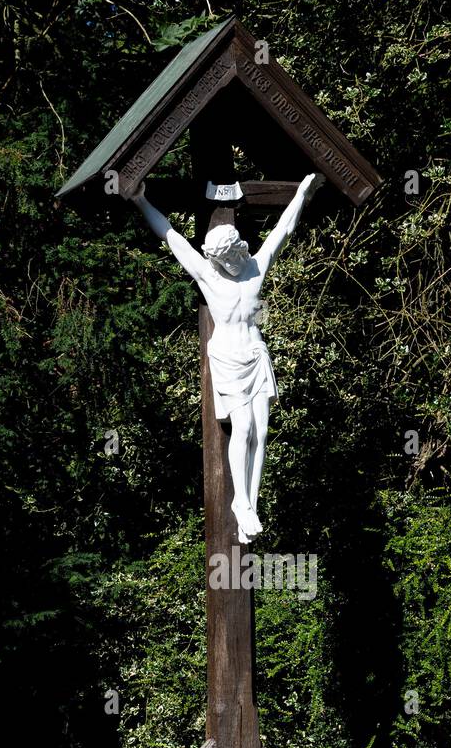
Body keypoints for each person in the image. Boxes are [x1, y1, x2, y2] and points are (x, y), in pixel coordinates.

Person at [129, 173, 325, 542]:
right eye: (225, 260)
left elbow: (283, 229)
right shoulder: (208, 277)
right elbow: (171, 237)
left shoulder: (254, 268)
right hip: (229, 357)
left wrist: (301, 192)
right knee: (245, 428)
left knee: (263, 431)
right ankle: (241, 503)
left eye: (234, 256)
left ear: (240, 250)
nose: (232, 263)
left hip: (255, 352)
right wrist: (141, 201)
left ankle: (250, 501)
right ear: (216, 260)